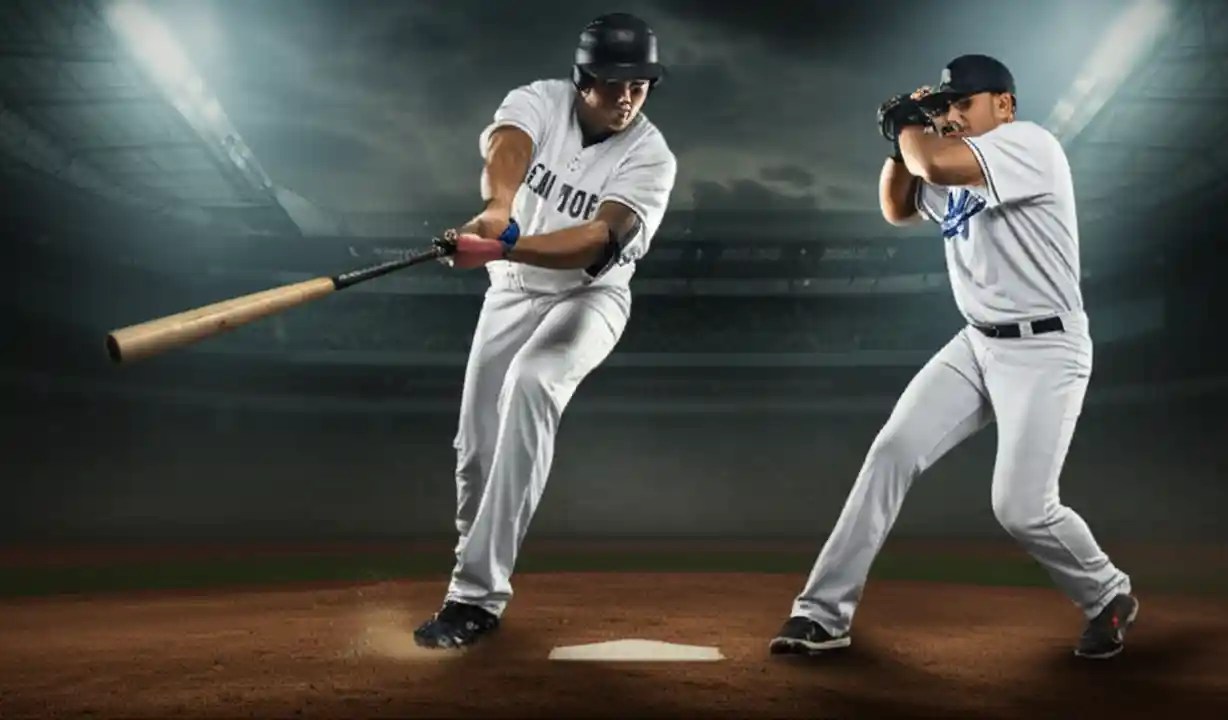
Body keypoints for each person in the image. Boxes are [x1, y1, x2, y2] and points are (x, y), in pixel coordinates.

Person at [768, 54, 1138, 660]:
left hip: (1047, 348)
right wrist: (900, 143)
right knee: (891, 451)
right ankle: (821, 613)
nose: (953, 117)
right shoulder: (948, 162)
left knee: (1020, 507)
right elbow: (897, 207)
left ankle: (1107, 594)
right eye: (946, 107)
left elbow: (933, 158)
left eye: (962, 104)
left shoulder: (1029, 145)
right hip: (977, 343)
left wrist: (914, 127)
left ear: (1005, 105)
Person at [412, 12, 677, 650]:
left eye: (639, 83)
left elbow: (595, 241)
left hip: (590, 297)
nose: (627, 96)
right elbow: (509, 146)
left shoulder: (652, 156)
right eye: (614, 82)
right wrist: (498, 212)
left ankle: (475, 598)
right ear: (583, 78)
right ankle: (468, 579)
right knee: (474, 450)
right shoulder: (540, 98)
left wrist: (504, 247)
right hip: (510, 294)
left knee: (531, 384)